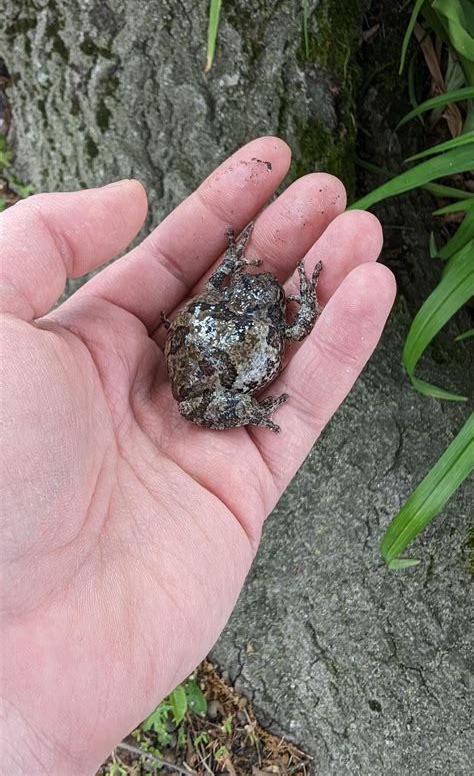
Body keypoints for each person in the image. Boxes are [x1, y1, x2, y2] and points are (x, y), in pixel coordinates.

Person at [0, 137, 395, 774]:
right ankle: (255, 408)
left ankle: (251, 398)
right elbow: (293, 325)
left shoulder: (253, 306)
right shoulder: (274, 317)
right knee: (257, 369)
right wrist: (294, 309)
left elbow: (263, 316)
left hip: (192, 341)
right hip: (200, 374)